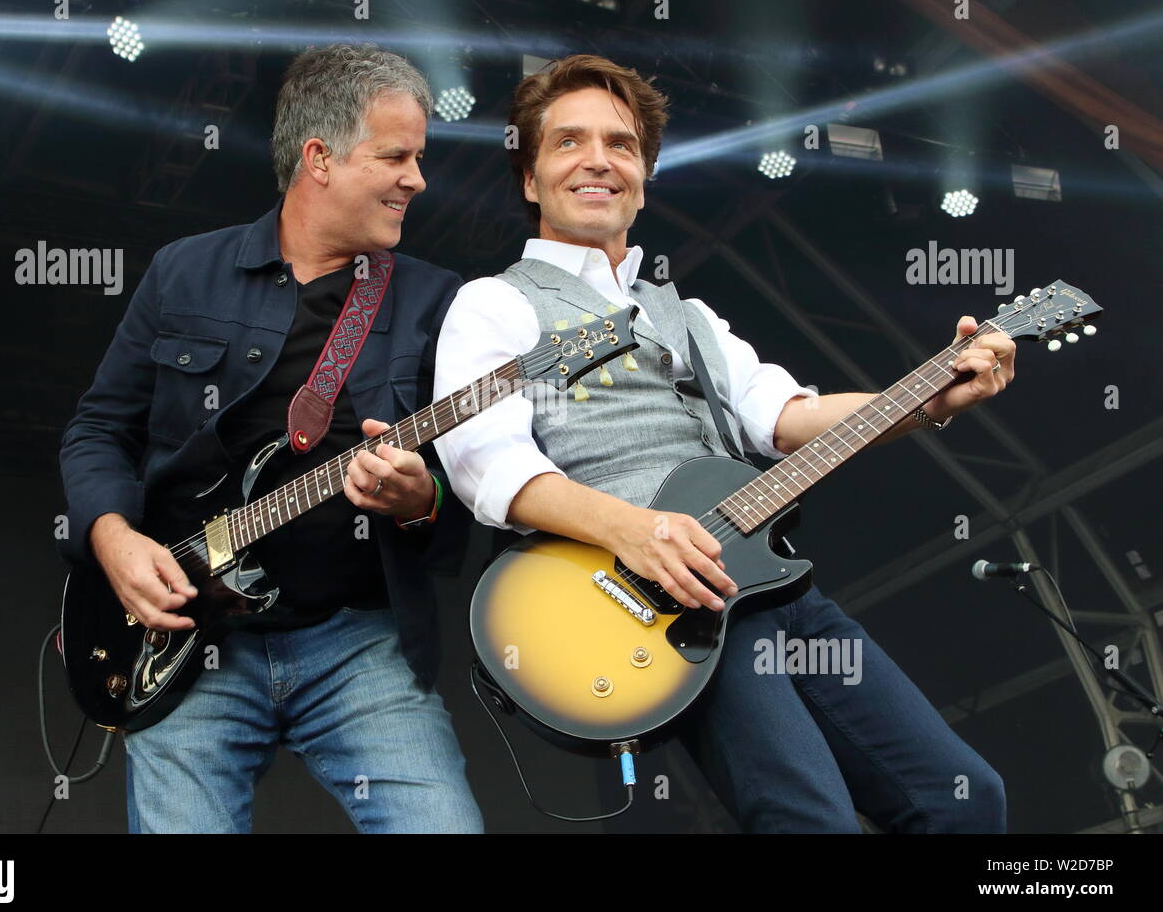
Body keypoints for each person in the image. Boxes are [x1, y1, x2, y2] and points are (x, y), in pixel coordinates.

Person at [434, 54, 1013, 833]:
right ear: (531, 178)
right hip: (664, 603)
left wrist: (930, 397)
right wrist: (638, 530)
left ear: (643, 173)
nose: (600, 159)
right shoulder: (495, 304)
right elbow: (485, 463)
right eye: (569, 142)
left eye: (623, 144)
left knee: (963, 799)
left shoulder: (689, 315)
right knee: (809, 821)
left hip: (772, 587)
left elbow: (786, 418)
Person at [59, 44, 482, 833]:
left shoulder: (436, 300)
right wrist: (113, 541)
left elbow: (472, 484)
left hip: (358, 643)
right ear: (318, 158)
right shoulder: (186, 272)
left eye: (418, 157)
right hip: (190, 634)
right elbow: (98, 428)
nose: (417, 179)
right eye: (396, 155)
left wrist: (420, 500)